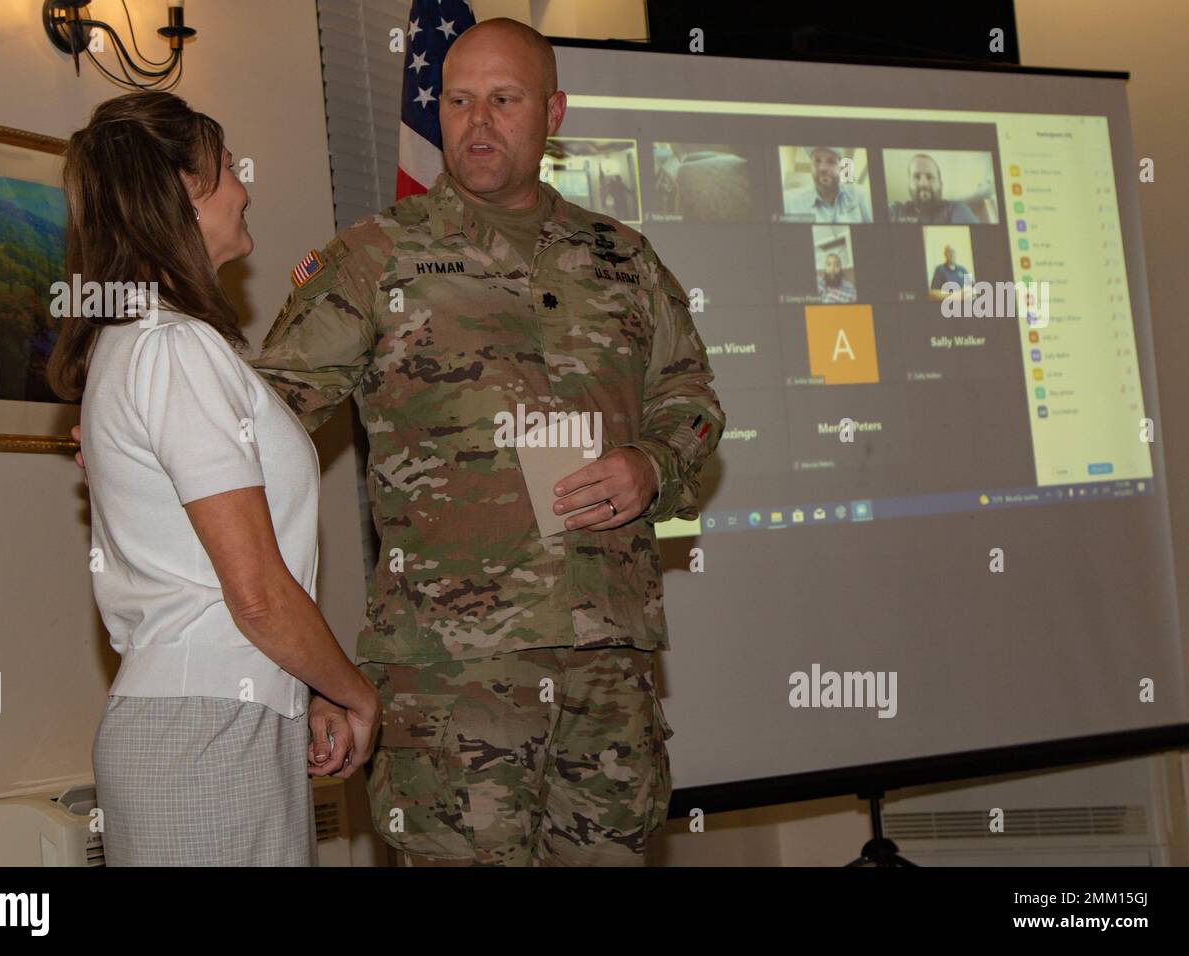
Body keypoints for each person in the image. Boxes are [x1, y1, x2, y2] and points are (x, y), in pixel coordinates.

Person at [252, 18, 724, 866]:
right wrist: (148, 434)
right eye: (459, 101)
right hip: (449, 681)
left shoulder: (625, 260)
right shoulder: (376, 259)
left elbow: (691, 403)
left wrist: (652, 466)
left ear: (554, 112)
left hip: (608, 672)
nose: (475, 122)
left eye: (503, 101)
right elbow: (257, 418)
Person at [52, 92, 380, 866]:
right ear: (180, 190)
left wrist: (313, 689)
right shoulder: (171, 347)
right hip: (204, 731)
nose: (245, 186)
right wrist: (356, 691)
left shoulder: (145, 344)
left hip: (217, 719)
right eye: (228, 167)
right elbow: (257, 593)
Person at [782, 146, 872, 223]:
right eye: (817, 161)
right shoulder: (789, 201)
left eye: (831, 161)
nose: (822, 168)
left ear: (840, 168)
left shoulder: (859, 195)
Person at [888, 154, 979, 224]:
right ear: (909, 184)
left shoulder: (955, 208)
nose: (923, 183)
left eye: (929, 176)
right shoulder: (897, 210)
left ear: (940, 184)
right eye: (917, 177)